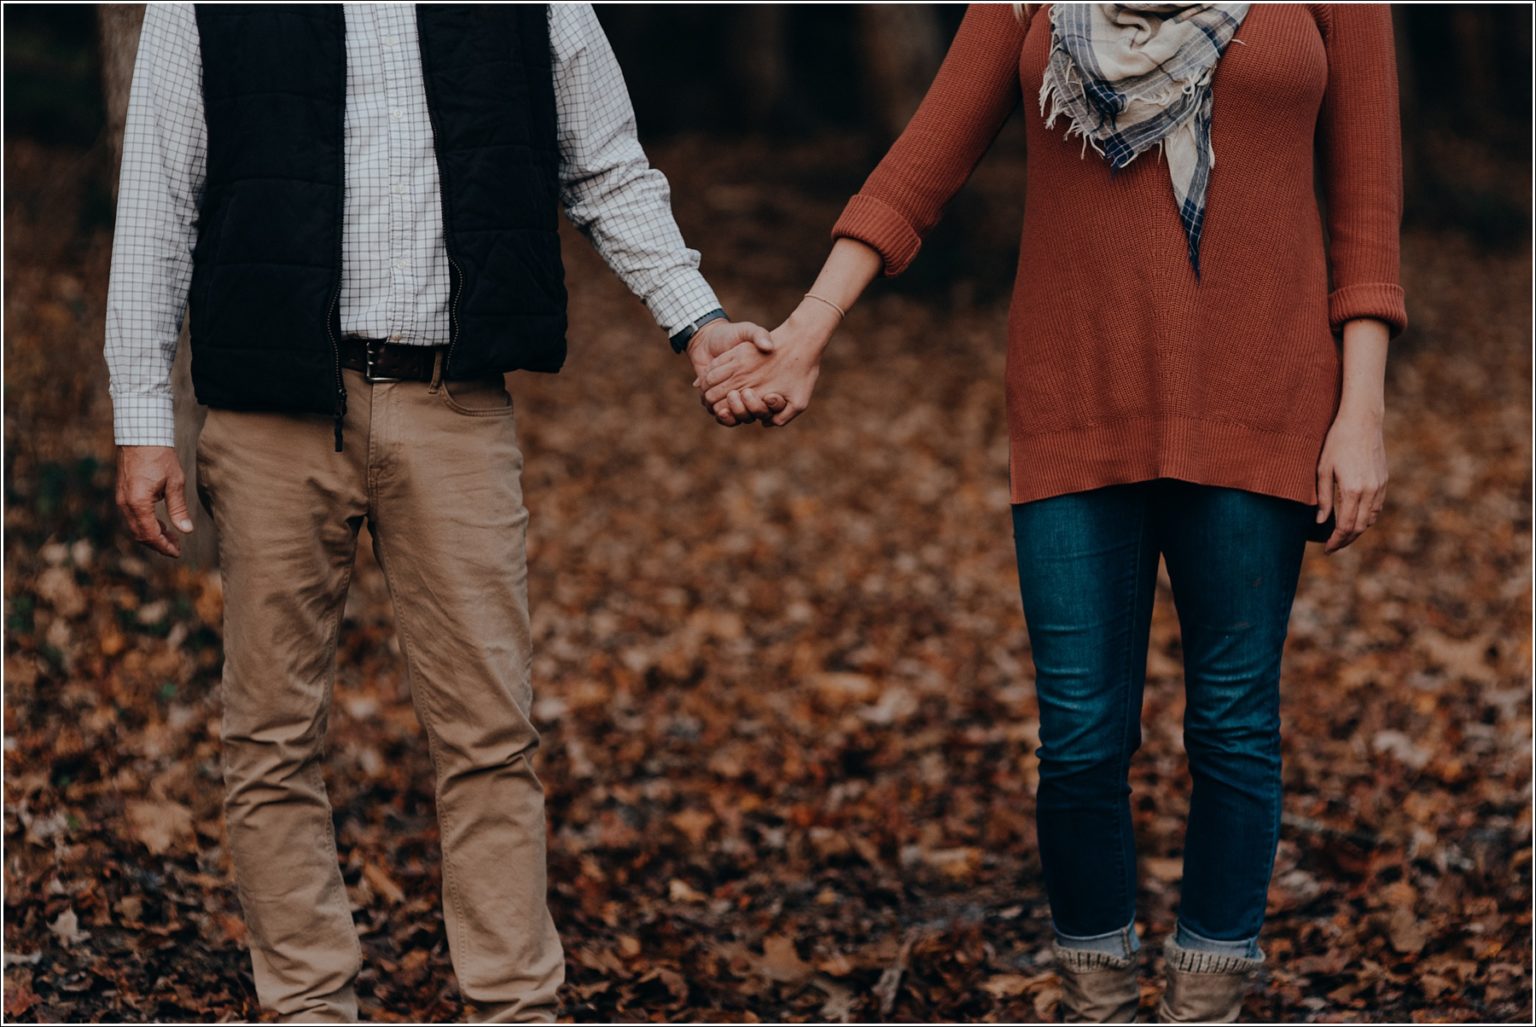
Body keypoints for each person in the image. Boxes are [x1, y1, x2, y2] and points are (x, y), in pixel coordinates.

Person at [698, 3, 1406, 1022]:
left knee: (1235, 727)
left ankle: (1207, 1000)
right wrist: (807, 331)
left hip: (1263, 397)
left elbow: (1366, 203)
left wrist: (1363, 411)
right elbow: (921, 164)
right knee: (1079, 739)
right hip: (1077, 397)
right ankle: (1100, 998)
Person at [104, 4, 773, 1022]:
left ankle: (515, 1005)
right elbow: (159, 192)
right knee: (270, 737)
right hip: (271, 407)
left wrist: (699, 323)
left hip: (452, 403)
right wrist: (143, 414)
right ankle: (308, 1003)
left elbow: (605, 167)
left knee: (491, 735)